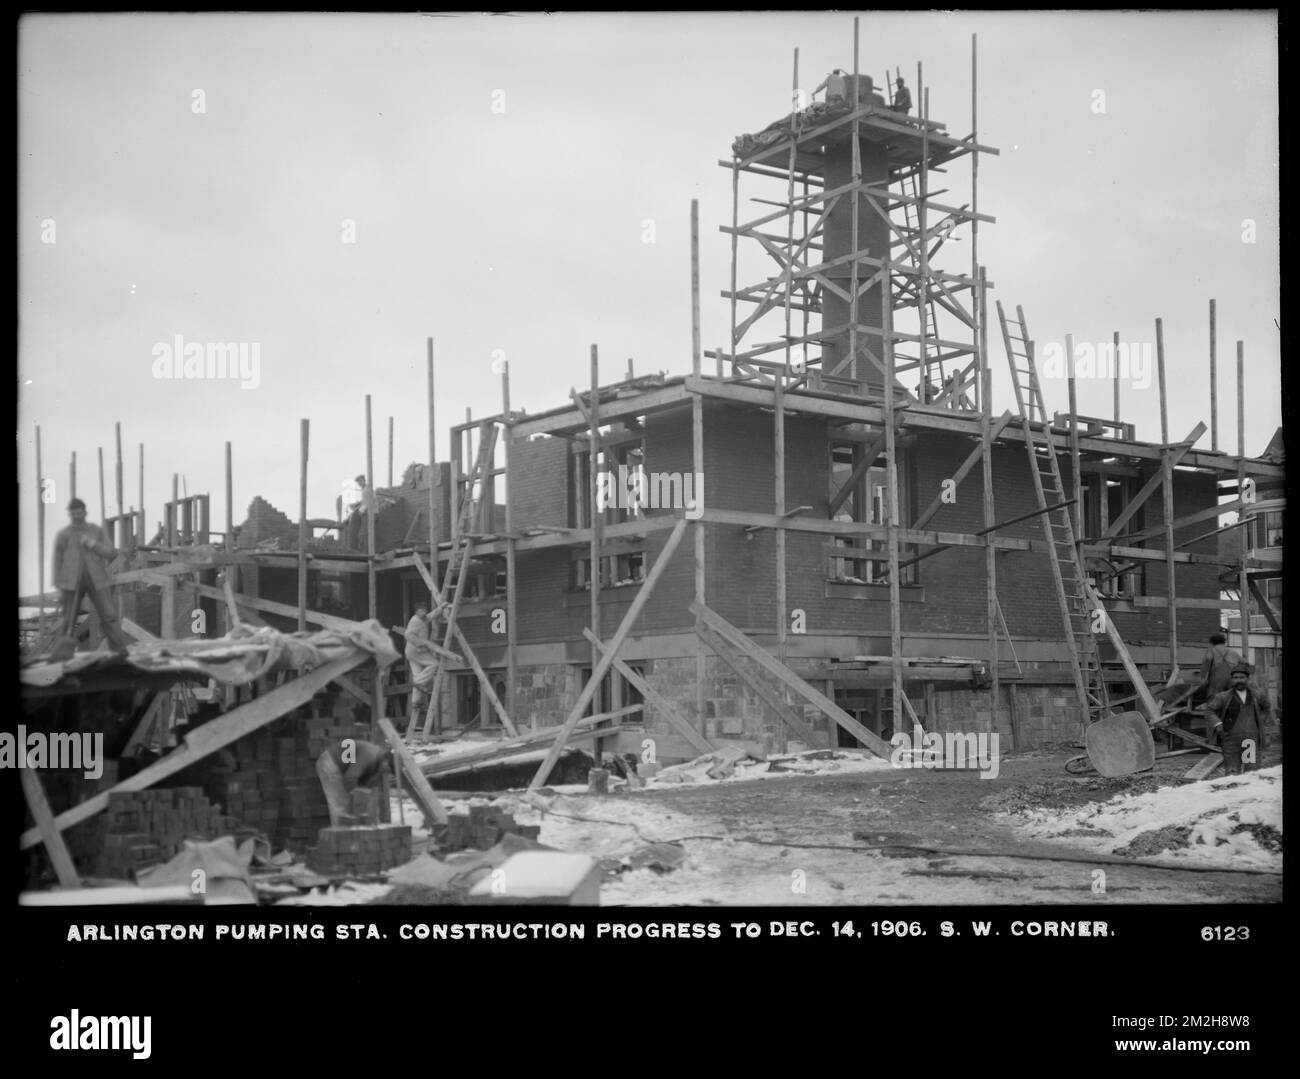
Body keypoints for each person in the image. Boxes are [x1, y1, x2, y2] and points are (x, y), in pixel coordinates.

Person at [52, 497, 131, 652]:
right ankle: (61, 655)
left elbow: (111, 553)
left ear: (84, 512)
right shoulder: (64, 535)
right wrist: (59, 586)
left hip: (97, 580)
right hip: (72, 582)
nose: (76, 515)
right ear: (69, 514)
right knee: (68, 619)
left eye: (79, 512)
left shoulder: (95, 531)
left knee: (109, 616)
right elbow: (57, 562)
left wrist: (93, 544)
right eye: (73, 513)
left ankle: (120, 654)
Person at [1201, 664, 1271, 775]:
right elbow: (1209, 710)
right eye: (1236, 678)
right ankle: (1233, 791)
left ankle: (1250, 792)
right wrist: (1217, 723)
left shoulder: (1257, 695)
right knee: (1232, 771)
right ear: (1232, 679)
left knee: (1252, 772)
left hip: (1251, 740)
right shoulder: (1222, 697)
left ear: (1247, 679)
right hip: (1230, 740)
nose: (1239, 680)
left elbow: (1266, 707)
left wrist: (1260, 721)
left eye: (1242, 677)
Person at [403, 603, 438, 719]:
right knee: (434, 663)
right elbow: (408, 634)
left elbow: (430, 616)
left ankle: (416, 703)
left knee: (418, 674)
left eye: (424, 609)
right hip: (416, 651)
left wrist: (441, 608)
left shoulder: (422, 619)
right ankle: (418, 682)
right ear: (416, 611)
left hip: (411, 652)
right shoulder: (415, 621)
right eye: (421, 610)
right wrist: (419, 643)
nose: (423, 612)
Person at [1194, 631, 1240, 705]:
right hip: (1233, 677)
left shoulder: (1212, 650)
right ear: (1224, 642)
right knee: (1232, 697)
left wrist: (1203, 678)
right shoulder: (1233, 652)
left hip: (1217, 678)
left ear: (1212, 642)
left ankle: (1214, 714)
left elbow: (1208, 660)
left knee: (1214, 698)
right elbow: (1244, 662)